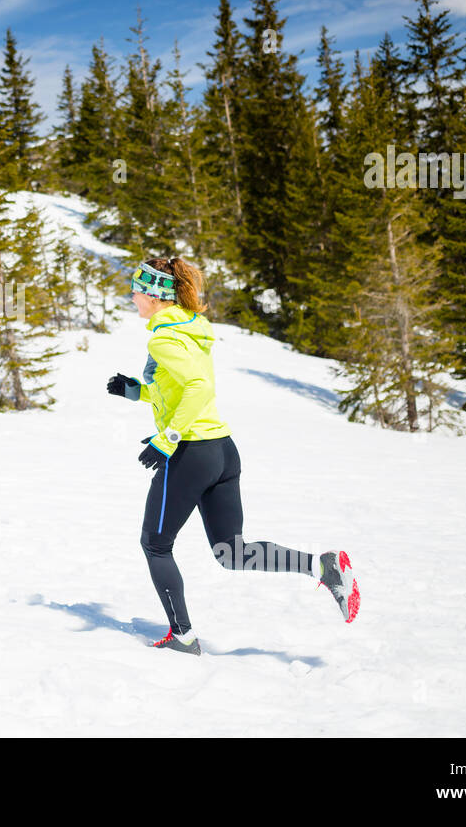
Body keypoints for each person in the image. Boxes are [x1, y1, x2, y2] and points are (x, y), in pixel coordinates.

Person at [106, 257, 360, 655]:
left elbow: (197, 388)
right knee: (231, 552)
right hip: (221, 451)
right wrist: (138, 391)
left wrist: (167, 439)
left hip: (191, 453)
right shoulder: (187, 329)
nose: (132, 295)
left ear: (155, 296)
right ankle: (323, 566)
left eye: (137, 289)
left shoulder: (163, 338)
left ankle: (183, 637)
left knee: (155, 544)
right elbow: (182, 388)